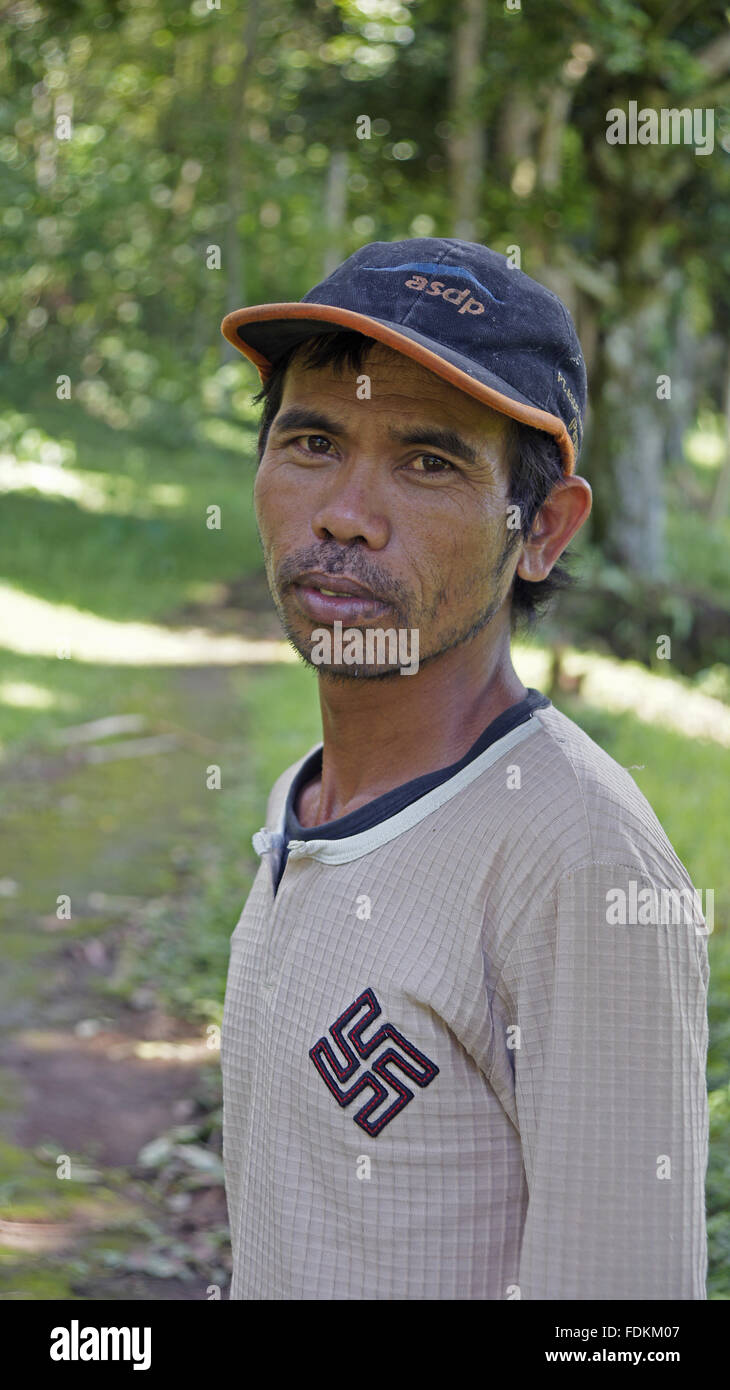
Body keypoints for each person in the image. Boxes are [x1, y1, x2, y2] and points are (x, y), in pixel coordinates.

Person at [219, 237, 709, 1300]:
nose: (346, 513)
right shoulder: (309, 800)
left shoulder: (581, 866)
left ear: (541, 531)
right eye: (311, 441)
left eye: (429, 462)